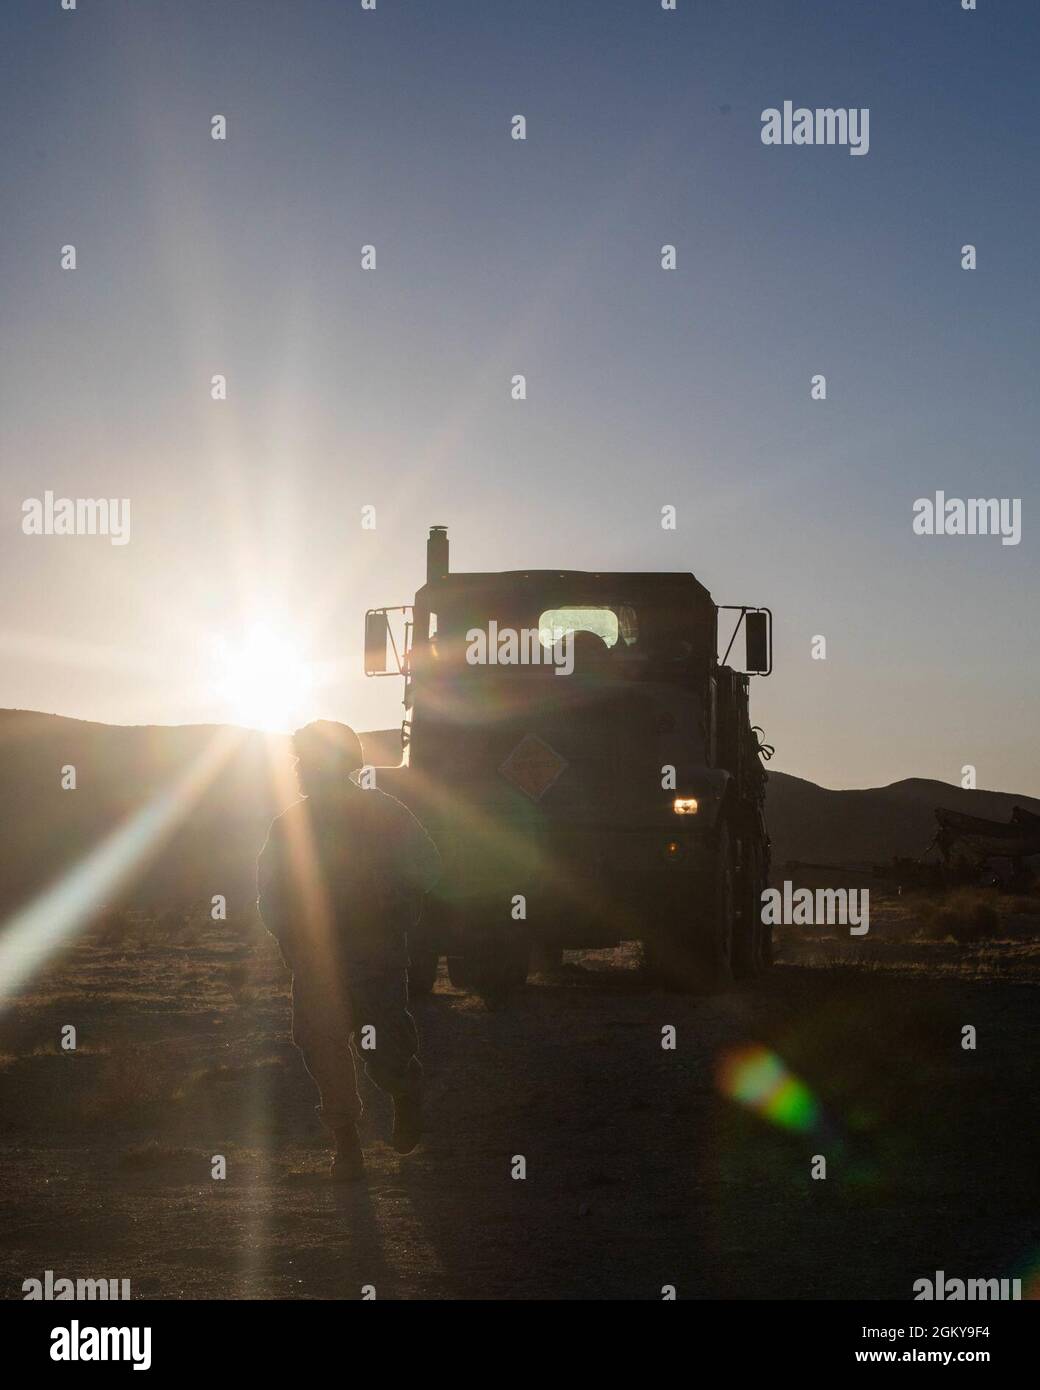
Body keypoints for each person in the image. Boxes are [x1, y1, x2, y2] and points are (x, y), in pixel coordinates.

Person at [257, 720, 441, 1181]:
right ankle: (346, 1147)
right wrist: (291, 940)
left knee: (380, 1042)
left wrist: (397, 911)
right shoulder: (288, 826)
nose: (301, 769)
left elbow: (427, 867)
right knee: (321, 1044)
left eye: (309, 760)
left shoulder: (385, 814)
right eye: (299, 761)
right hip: (317, 958)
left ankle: (403, 1093)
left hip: (373, 952)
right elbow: (271, 894)